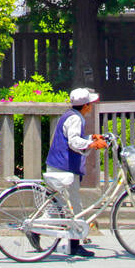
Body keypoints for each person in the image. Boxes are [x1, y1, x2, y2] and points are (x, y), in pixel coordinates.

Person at [43, 87, 107, 258]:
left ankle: (35, 232)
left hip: (57, 164)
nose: (91, 106)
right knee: (74, 206)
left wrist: (91, 137)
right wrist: (92, 144)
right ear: (86, 106)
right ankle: (74, 244)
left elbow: (73, 138)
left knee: (56, 206)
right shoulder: (76, 119)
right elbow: (73, 142)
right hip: (64, 168)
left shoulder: (69, 115)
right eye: (90, 104)